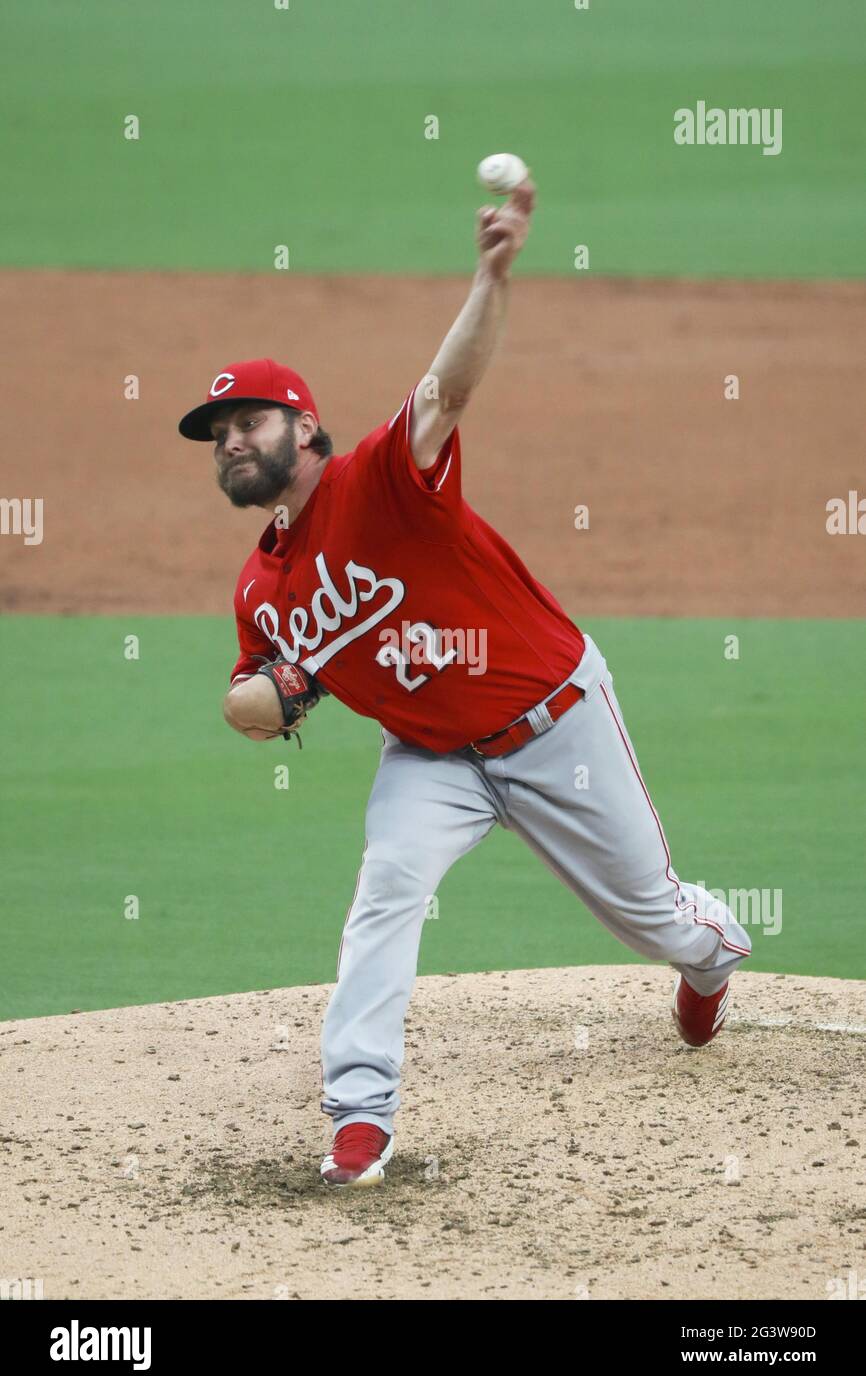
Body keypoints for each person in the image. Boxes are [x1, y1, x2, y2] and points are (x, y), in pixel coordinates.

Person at [178, 181, 752, 1189]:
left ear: (302, 428)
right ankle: (360, 1113)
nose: (228, 437)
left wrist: (491, 275)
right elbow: (241, 699)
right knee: (385, 890)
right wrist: (280, 693)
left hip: (552, 720)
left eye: (247, 418)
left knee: (648, 916)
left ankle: (708, 954)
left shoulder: (378, 481)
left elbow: (443, 391)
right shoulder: (257, 584)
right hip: (431, 757)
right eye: (216, 428)